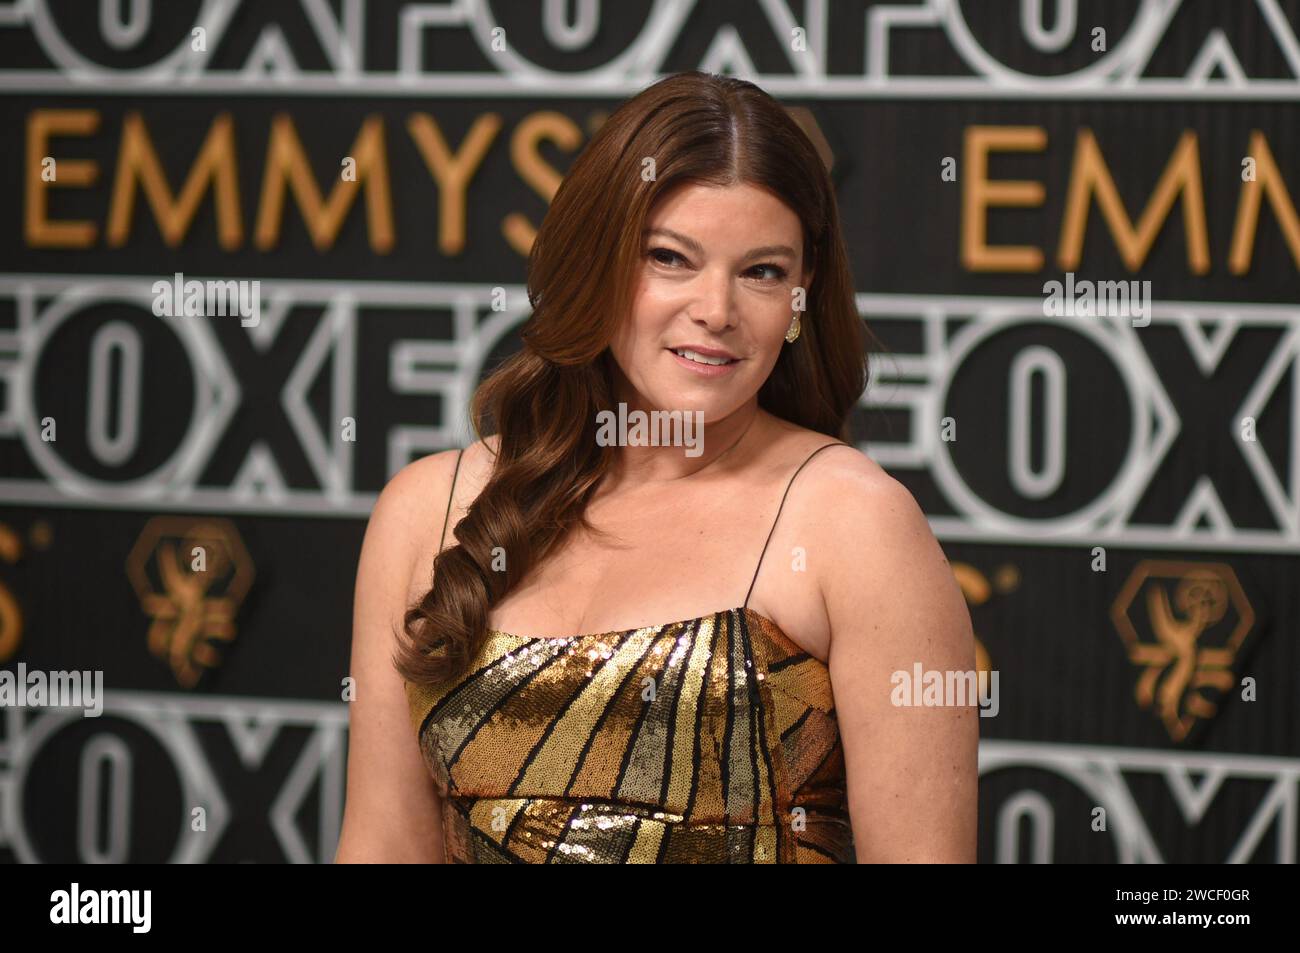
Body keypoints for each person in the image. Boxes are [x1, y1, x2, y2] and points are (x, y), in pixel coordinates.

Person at [335, 70, 977, 863]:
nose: (716, 309)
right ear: (596, 263)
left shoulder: (853, 521)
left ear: (803, 295)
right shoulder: (427, 507)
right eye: (671, 258)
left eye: (763, 271)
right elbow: (382, 846)